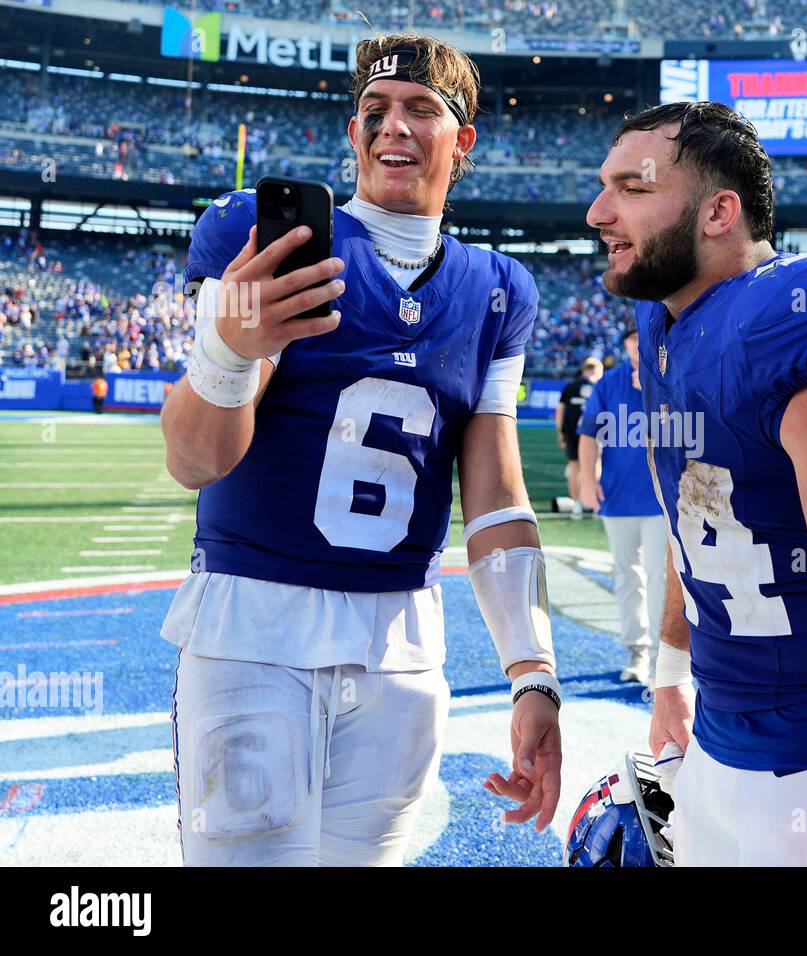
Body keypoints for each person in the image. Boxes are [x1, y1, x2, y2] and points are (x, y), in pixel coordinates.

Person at [158, 34, 561, 866]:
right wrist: (229, 351)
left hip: (402, 649)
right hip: (253, 627)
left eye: (422, 109)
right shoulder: (277, 236)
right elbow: (196, 462)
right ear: (352, 134)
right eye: (374, 111)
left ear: (464, 140)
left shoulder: (496, 289)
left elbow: (494, 495)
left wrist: (532, 673)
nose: (394, 127)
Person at [586, 101, 807, 867]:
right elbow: (696, 514)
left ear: (720, 211)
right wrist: (672, 673)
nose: (598, 212)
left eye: (632, 188)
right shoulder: (663, 322)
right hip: (720, 741)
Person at [575, 324, 668, 685]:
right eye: (631, 340)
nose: (636, 345)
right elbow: (588, 434)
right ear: (625, 344)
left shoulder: (669, 374)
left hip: (662, 498)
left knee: (660, 578)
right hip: (617, 496)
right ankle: (637, 652)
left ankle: (664, 657)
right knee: (628, 577)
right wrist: (587, 480)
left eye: (642, 339)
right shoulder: (609, 383)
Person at [555, 357, 603, 510]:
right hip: (594, 431)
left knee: (574, 465)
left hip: (572, 431)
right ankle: (596, 504)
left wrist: (560, 431)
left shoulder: (570, 386)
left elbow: (560, 410)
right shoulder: (601, 386)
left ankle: (576, 504)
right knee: (595, 464)